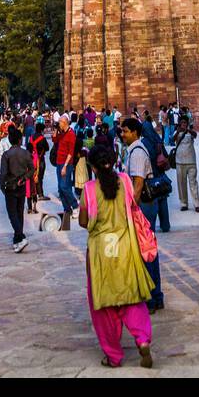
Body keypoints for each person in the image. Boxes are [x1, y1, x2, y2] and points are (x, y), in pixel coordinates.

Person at [79, 144, 154, 368]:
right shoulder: (125, 182)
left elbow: (84, 222)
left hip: (100, 253)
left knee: (104, 305)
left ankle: (113, 355)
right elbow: (133, 206)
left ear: (92, 167)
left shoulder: (90, 189)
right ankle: (142, 339)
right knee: (131, 298)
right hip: (125, 248)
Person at [122, 116, 164, 312]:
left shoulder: (137, 152)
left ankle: (151, 297)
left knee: (145, 251)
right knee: (149, 249)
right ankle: (156, 295)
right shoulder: (136, 150)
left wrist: (132, 208)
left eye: (125, 131)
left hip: (143, 205)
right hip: (146, 204)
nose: (123, 135)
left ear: (135, 132)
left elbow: (138, 184)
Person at [0, 124, 33, 252]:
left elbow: (3, 173)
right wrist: (24, 178)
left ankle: (21, 236)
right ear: (20, 140)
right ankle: (17, 239)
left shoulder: (6, 155)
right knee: (19, 213)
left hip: (10, 186)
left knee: (12, 214)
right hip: (21, 185)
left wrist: (2, 186)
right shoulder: (25, 153)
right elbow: (32, 169)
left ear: (9, 140)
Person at [140, 113, 171, 233]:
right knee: (163, 199)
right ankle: (165, 225)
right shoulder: (158, 139)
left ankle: (151, 226)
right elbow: (165, 155)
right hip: (161, 173)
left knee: (152, 200)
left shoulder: (144, 143)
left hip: (151, 175)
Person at [171, 116, 199, 211]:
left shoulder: (190, 132)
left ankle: (197, 204)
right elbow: (172, 140)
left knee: (193, 183)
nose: (183, 124)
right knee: (181, 184)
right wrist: (179, 131)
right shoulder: (177, 132)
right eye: (182, 122)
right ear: (179, 123)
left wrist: (187, 130)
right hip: (180, 162)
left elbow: (195, 135)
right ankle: (183, 203)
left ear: (187, 123)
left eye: (185, 122)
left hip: (191, 161)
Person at [55, 114, 79, 219]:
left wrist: (65, 166)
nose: (58, 124)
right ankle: (67, 209)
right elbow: (54, 140)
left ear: (65, 123)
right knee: (61, 188)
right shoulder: (62, 133)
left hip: (66, 164)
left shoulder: (71, 134)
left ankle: (75, 205)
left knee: (64, 186)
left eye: (60, 122)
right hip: (58, 162)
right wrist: (56, 130)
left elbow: (71, 152)